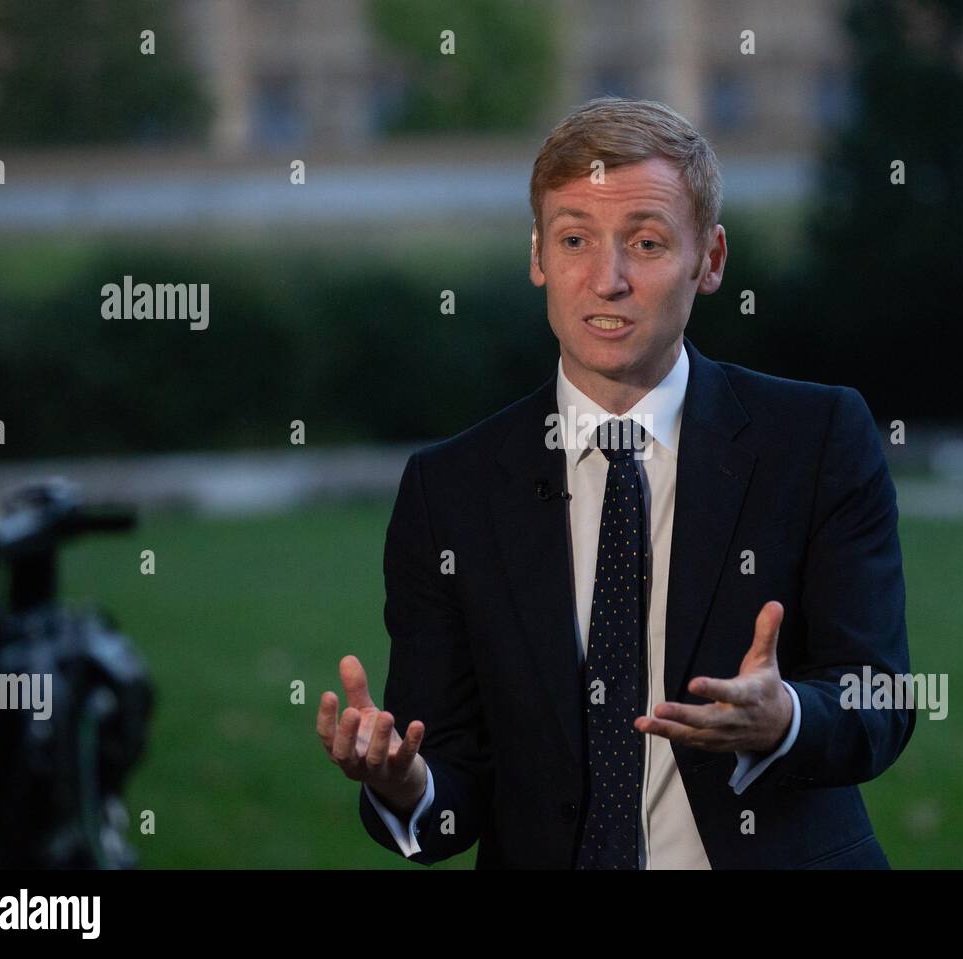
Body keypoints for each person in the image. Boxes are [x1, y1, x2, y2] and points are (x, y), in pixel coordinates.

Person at [317, 96, 915, 868]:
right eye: (575, 239)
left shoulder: (819, 436)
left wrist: (788, 717)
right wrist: (403, 783)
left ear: (711, 259)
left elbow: (880, 698)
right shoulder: (449, 490)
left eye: (646, 241)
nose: (608, 279)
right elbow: (450, 783)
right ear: (538, 256)